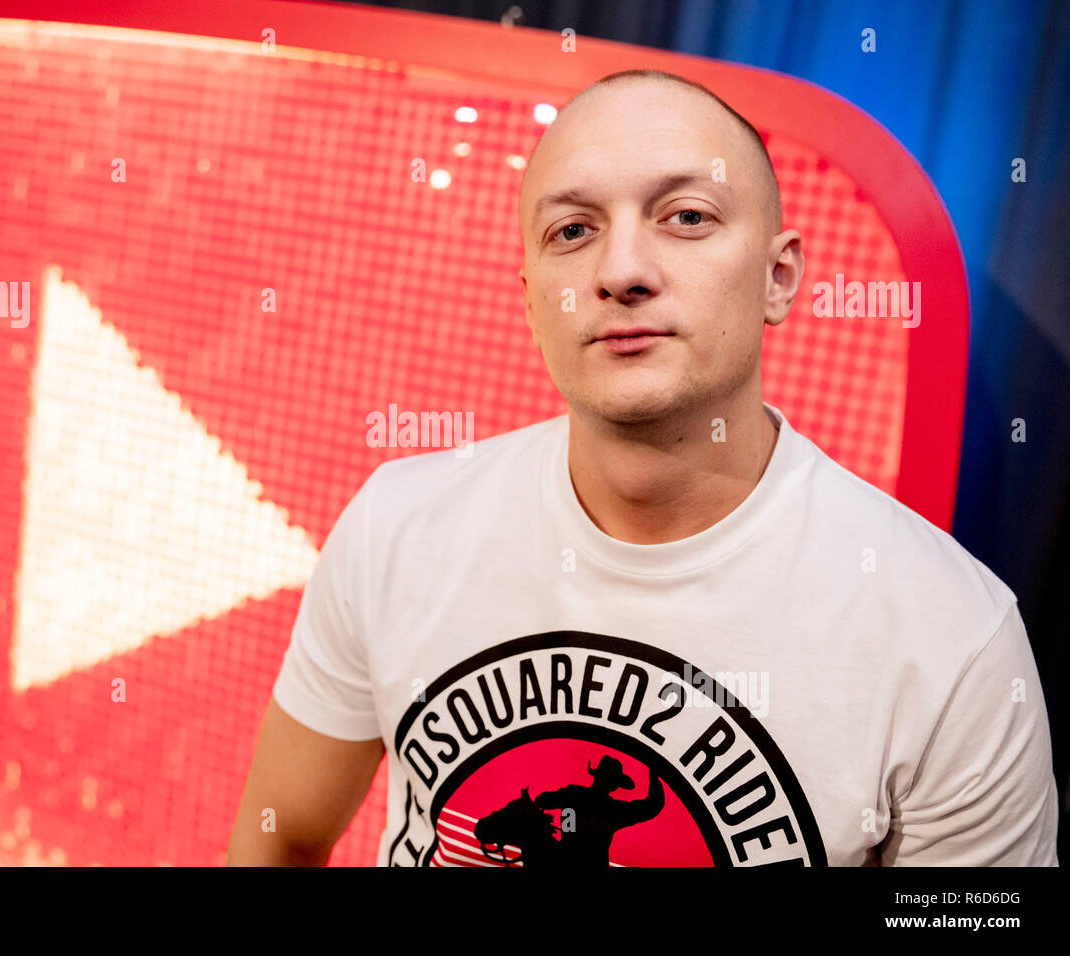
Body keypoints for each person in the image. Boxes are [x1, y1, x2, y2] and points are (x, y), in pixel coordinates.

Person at [226, 69, 1059, 867]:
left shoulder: (951, 638)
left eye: (687, 217)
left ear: (779, 278)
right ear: (530, 299)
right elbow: (281, 837)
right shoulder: (396, 528)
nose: (620, 272)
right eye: (573, 231)